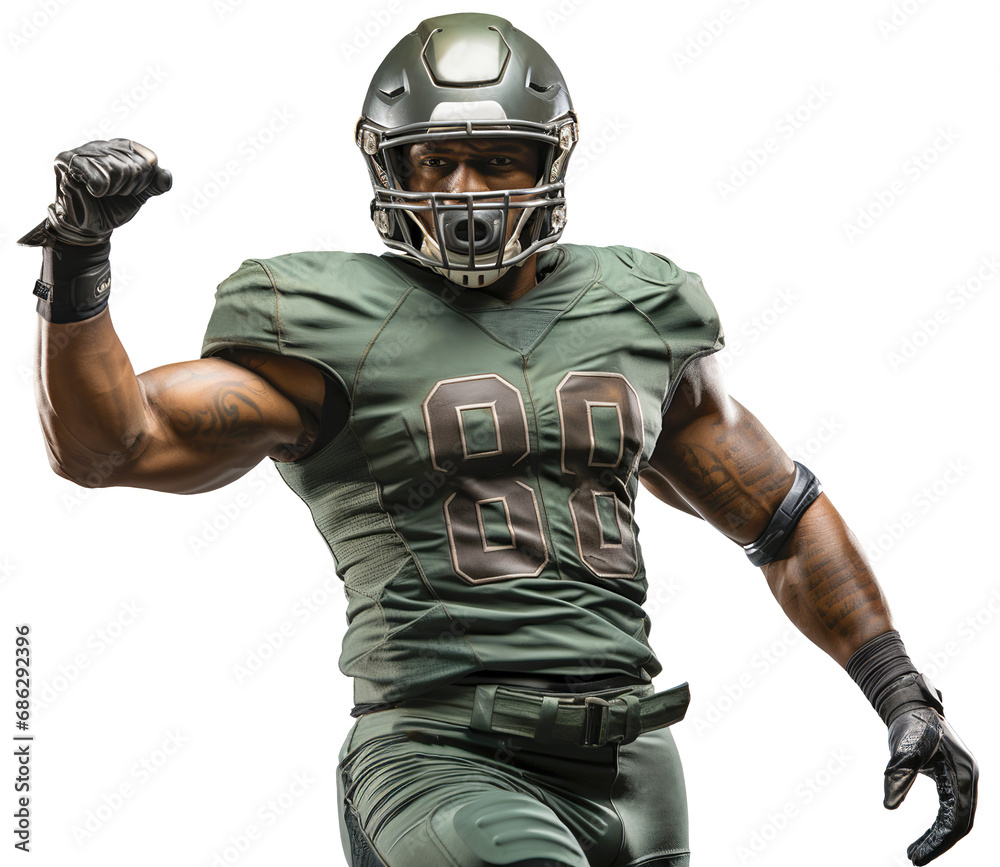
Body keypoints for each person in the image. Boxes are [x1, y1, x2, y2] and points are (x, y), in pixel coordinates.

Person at [22, 12, 977, 867]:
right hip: (444, 754)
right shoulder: (324, 320)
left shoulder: (634, 308)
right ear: (388, 167)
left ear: (551, 159)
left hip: (637, 760)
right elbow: (113, 444)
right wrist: (79, 258)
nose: (467, 193)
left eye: (498, 159)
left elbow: (780, 516)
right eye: (435, 162)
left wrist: (903, 694)